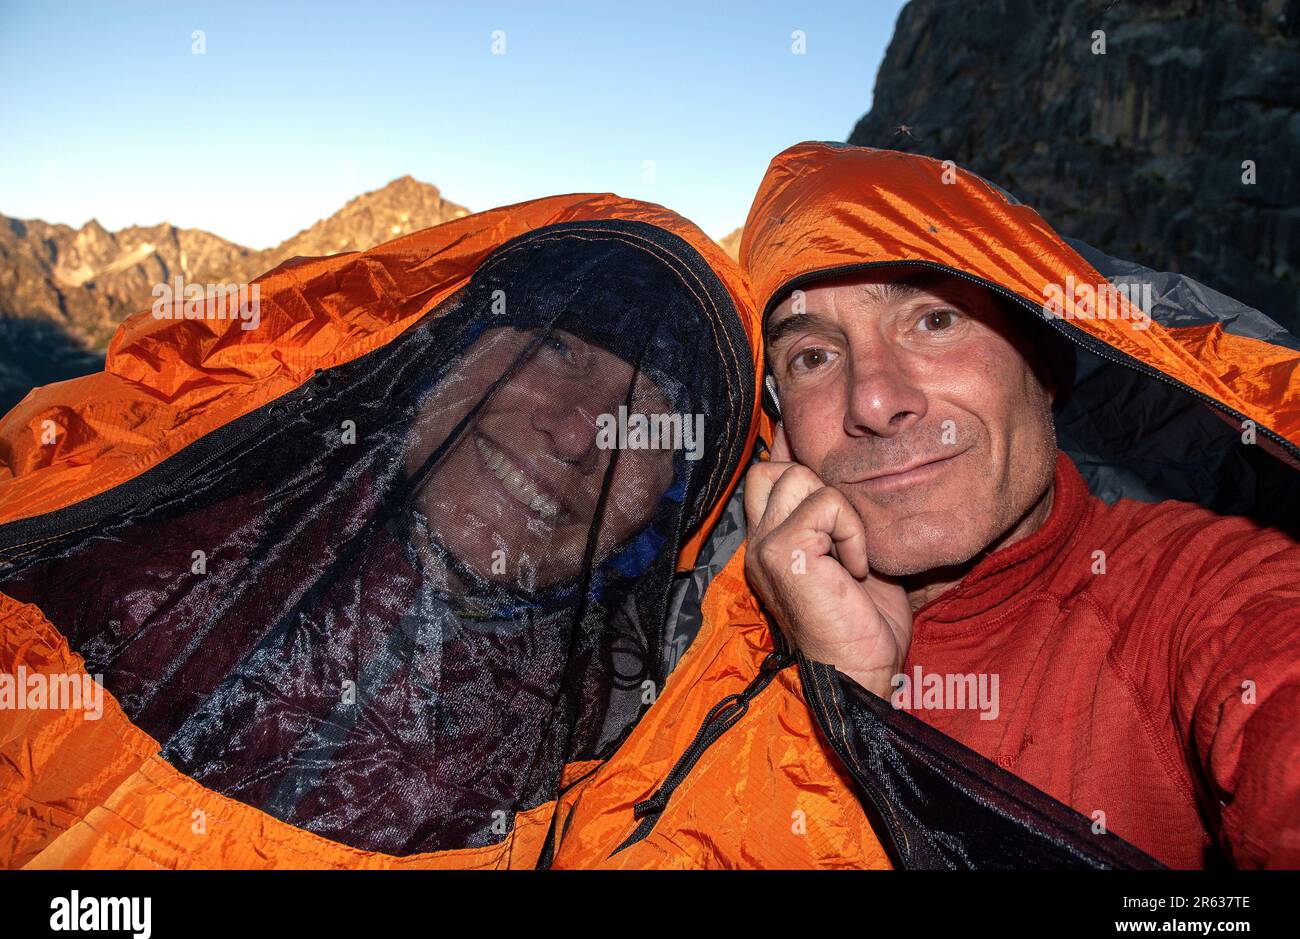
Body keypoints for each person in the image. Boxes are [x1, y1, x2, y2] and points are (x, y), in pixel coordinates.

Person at [549, 142, 1300, 870]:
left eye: (935, 321)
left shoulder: (1199, 588)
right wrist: (835, 700)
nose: (874, 400)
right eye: (813, 356)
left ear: (1044, 364)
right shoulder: (698, 635)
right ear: (778, 436)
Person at [0, 199, 761, 868]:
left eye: (650, 420)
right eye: (558, 349)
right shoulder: (133, 555)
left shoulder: (636, 758)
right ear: (443, 350)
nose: (575, 433)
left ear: (672, 500)